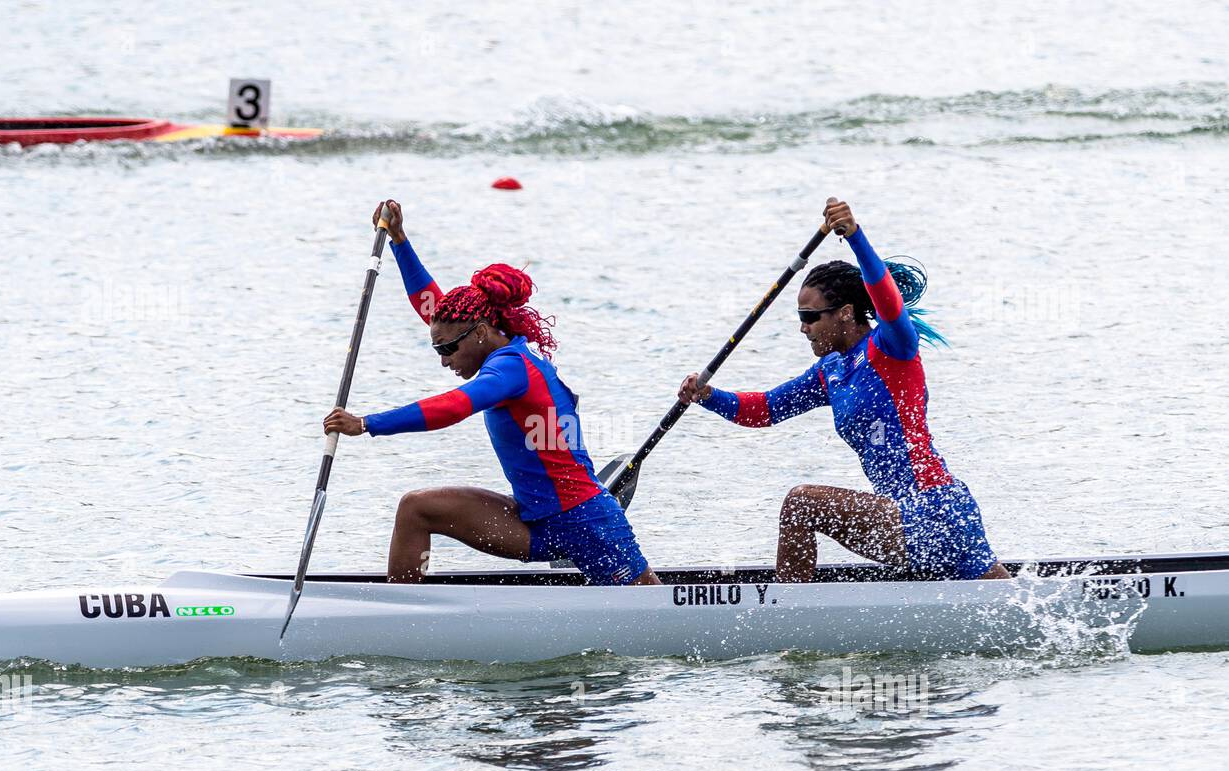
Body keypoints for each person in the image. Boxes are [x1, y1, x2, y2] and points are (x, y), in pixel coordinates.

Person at [323, 201, 659, 586]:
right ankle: (405, 616)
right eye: (438, 350)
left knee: (656, 612)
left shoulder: (512, 368)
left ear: (481, 331)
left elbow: (453, 406)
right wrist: (400, 240)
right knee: (416, 508)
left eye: (448, 349)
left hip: (585, 521)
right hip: (534, 519)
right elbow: (436, 311)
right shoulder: (481, 339)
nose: (444, 360)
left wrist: (366, 423)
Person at [679, 197, 1010, 583]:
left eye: (810, 317)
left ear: (846, 312)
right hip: (926, 515)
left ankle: (787, 617)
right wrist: (707, 396)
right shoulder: (830, 371)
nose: (804, 328)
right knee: (1011, 610)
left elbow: (888, 302)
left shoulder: (893, 348)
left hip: (930, 509)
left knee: (801, 504)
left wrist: (855, 236)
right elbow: (767, 409)